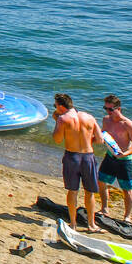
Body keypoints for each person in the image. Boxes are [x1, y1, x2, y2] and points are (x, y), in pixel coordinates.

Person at [52, 92, 105, 232]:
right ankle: (91, 224)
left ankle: (73, 223)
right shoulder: (89, 117)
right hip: (88, 156)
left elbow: (57, 139)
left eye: (55, 106)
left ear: (61, 107)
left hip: (72, 156)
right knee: (90, 192)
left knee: (73, 191)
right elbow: (100, 140)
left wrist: (56, 121)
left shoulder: (63, 118)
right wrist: (87, 139)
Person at [99, 94, 132, 222]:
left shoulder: (128, 124)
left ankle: (127, 216)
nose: (108, 112)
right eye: (105, 108)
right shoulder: (106, 120)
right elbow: (104, 135)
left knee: (127, 189)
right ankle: (104, 209)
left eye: (110, 109)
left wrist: (126, 153)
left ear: (119, 109)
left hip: (125, 160)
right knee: (101, 182)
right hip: (110, 156)